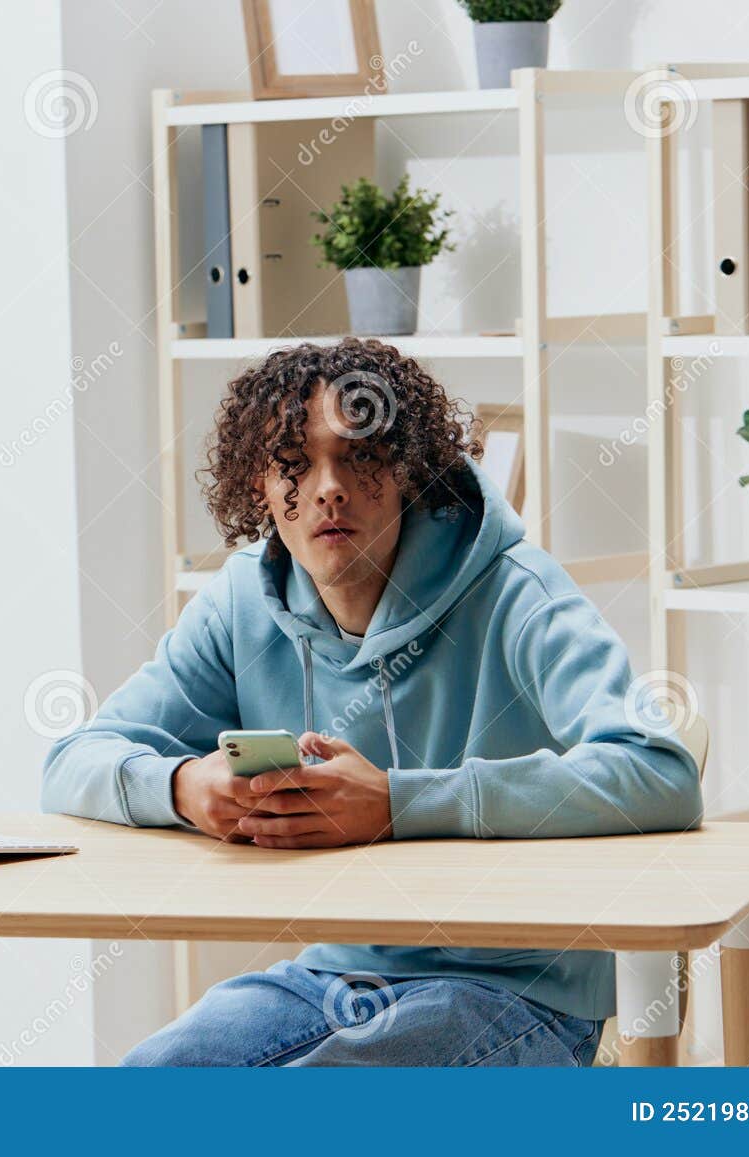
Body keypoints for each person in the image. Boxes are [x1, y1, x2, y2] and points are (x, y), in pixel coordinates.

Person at [41, 337, 703, 1066]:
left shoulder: (519, 592)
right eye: (293, 462)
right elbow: (74, 759)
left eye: (358, 454)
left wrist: (397, 801)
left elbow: (660, 773)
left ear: (408, 469)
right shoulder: (240, 604)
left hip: (523, 988)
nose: (328, 486)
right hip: (337, 974)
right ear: (258, 487)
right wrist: (183, 785)